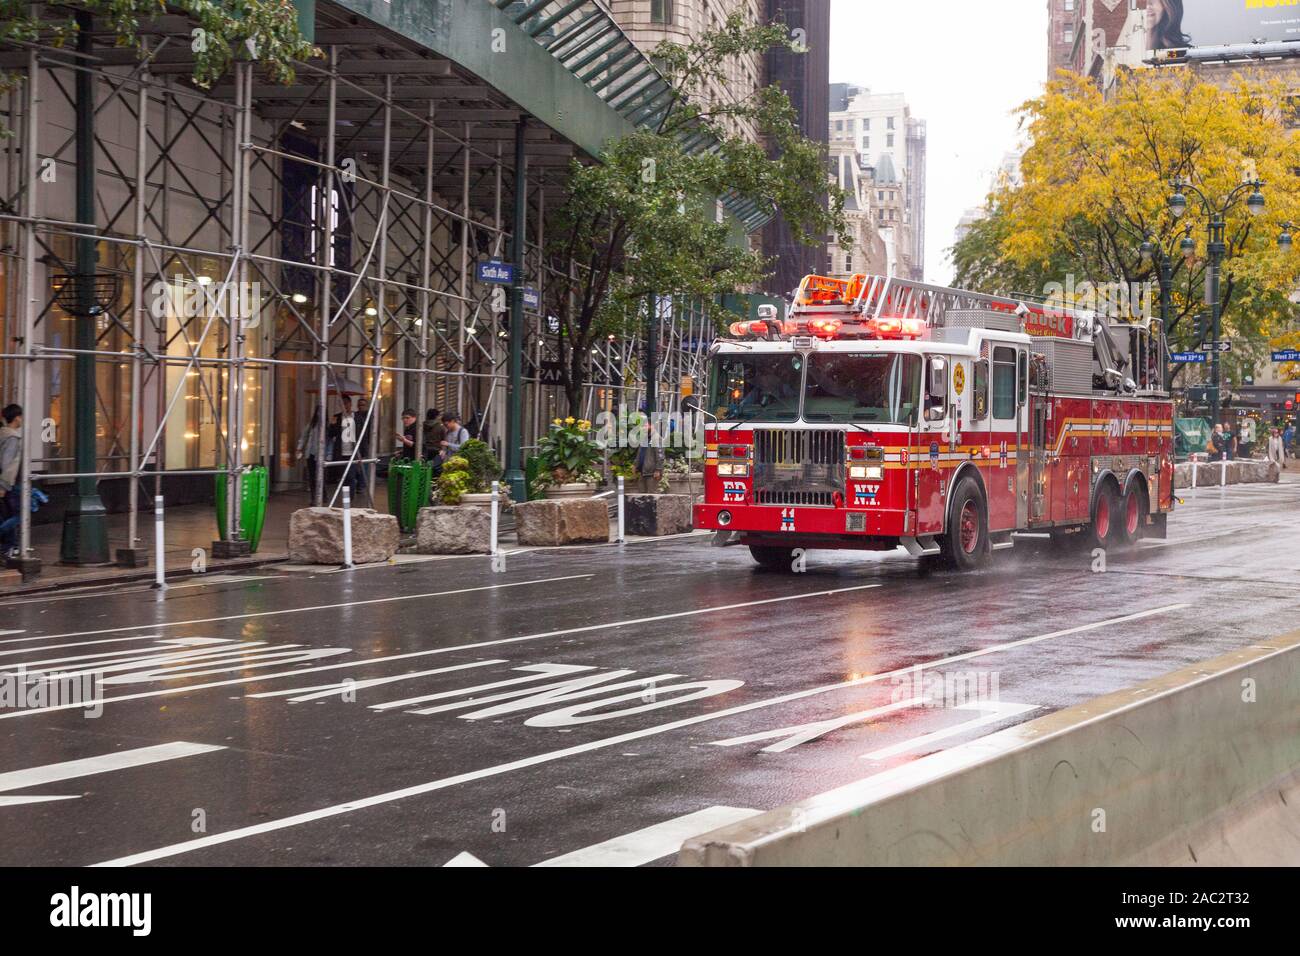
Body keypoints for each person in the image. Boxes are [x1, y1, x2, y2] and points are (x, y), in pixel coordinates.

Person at [0, 404, 23, 555]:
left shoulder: (3, 433)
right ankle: (9, 545)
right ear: (16, 418)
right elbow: (7, 463)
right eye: (21, 417)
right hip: (10, 482)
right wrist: (4, 485)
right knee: (20, 514)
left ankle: (10, 546)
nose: (22, 420)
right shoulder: (13, 437)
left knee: (8, 514)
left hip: (7, 482)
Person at [297, 407, 322, 499]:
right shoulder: (311, 425)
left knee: (319, 475)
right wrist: (299, 448)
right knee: (312, 475)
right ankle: (313, 496)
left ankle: (322, 494)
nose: (319, 414)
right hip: (310, 453)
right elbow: (303, 436)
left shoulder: (326, 426)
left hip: (320, 455)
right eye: (318, 412)